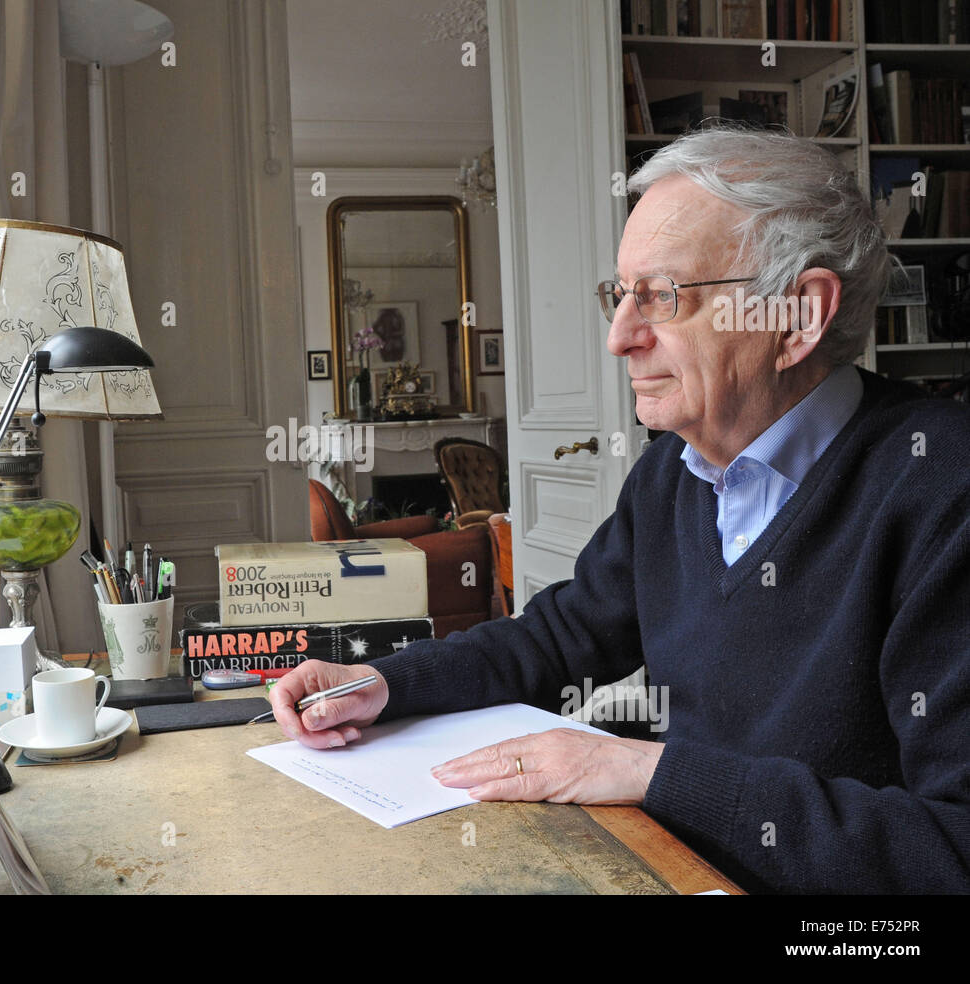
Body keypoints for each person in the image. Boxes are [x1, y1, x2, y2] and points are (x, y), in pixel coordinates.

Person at [268, 127, 970, 894]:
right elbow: (560, 635)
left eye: (662, 296)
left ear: (798, 316)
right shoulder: (674, 467)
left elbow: (951, 846)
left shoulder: (943, 491)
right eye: (620, 294)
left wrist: (648, 769)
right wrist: (383, 683)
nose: (619, 337)